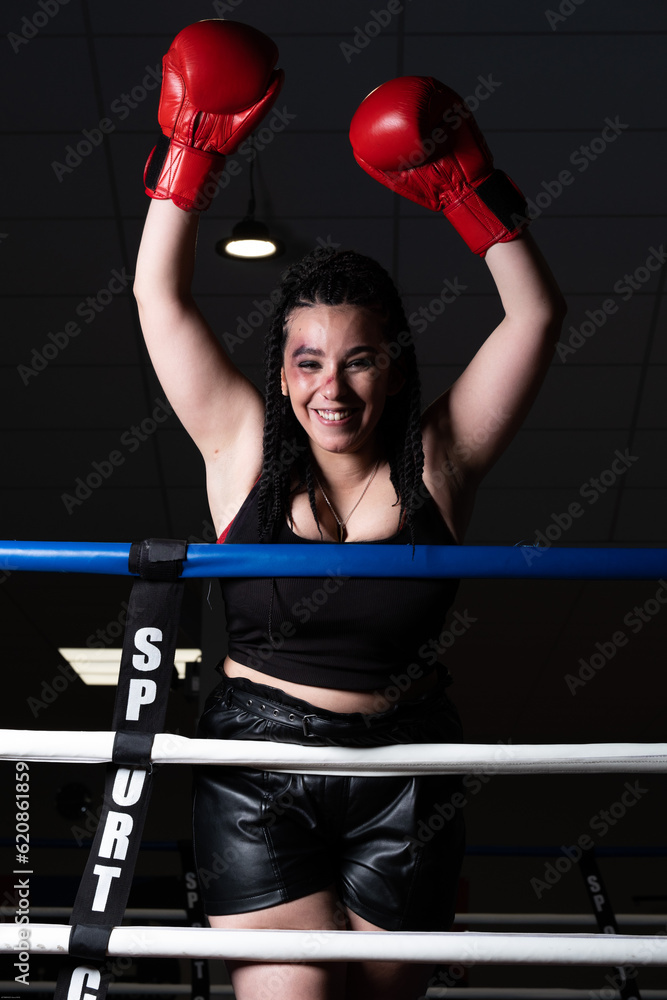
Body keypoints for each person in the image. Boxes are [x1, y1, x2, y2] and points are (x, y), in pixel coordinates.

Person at [134, 19, 567, 1000]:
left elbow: (534, 315)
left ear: (394, 367)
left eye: (360, 357)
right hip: (257, 764)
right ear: (281, 376)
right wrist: (191, 153)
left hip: (407, 772)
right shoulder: (238, 443)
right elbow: (158, 299)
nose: (333, 386)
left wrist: (467, 191)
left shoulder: (438, 458)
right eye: (308, 360)